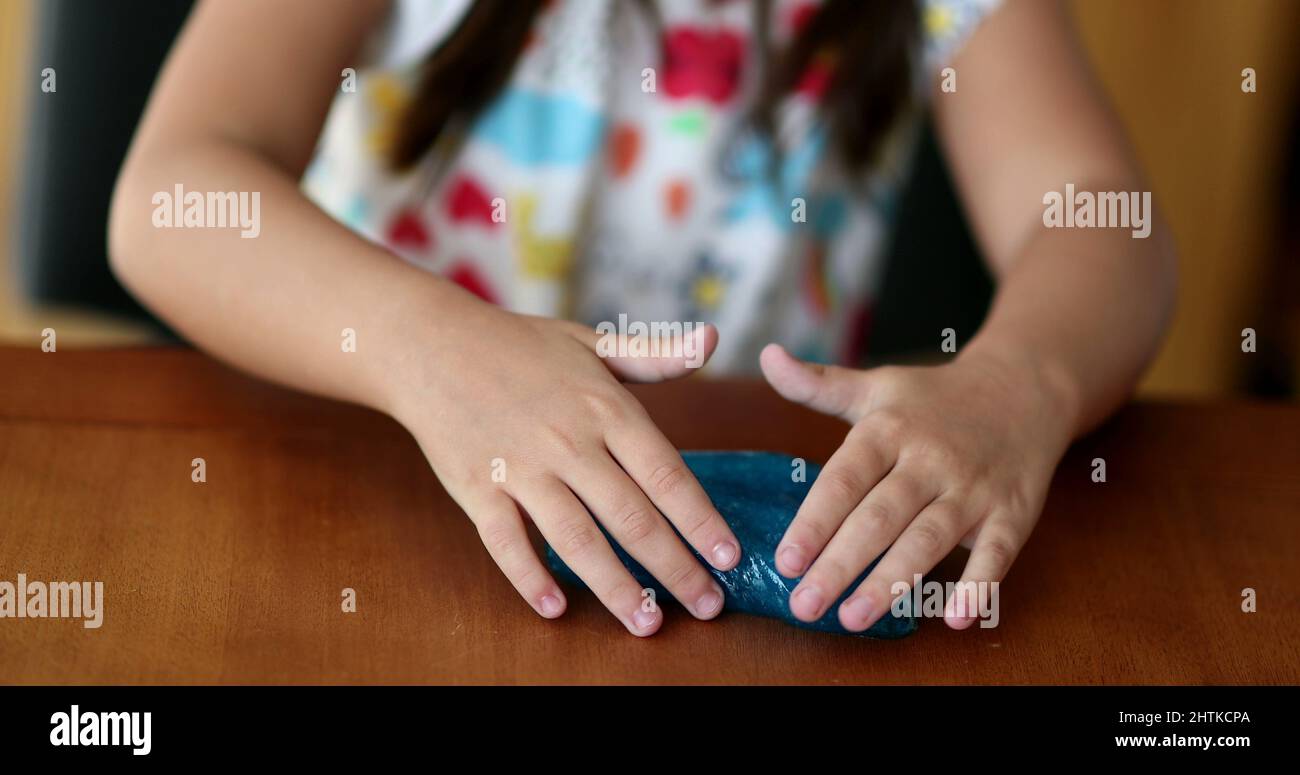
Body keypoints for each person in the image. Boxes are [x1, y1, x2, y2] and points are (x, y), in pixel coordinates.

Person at [109, 0, 1176, 636]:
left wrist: (1021, 379)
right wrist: (419, 346)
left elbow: (1094, 215)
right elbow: (173, 190)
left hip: (746, 552)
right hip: (383, 491)